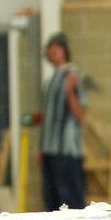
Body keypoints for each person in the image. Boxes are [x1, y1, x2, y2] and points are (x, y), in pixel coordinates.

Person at [39, 31, 87, 210]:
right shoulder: (49, 81)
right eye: (51, 50)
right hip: (49, 149)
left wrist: (70, 91)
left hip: (67, 149)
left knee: (70, 198)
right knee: (52, 199)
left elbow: (80, 114)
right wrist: (41, 147)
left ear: (64, 51)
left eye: (57, 49)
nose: (54, 53)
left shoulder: (73, 75)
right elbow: (46, 116)